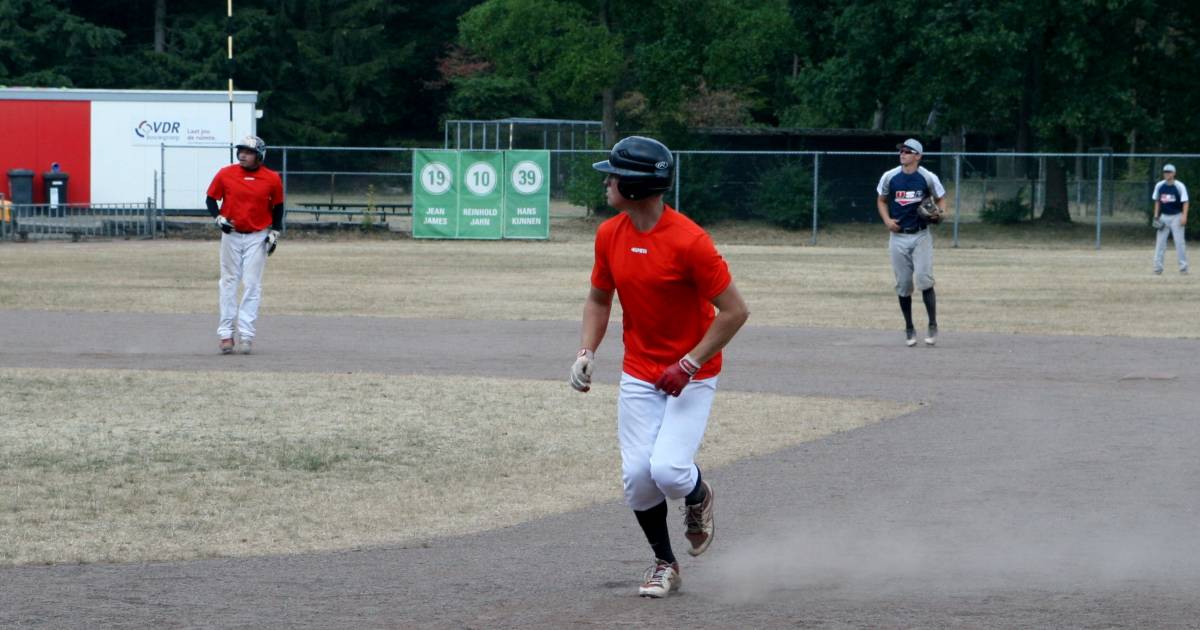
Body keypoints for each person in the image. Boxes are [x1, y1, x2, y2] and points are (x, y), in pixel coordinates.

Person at [569, 136, 750, 599]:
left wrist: (689, 363)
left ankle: (696, 495)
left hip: (694, 373)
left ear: (633, 185)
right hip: (639, 371)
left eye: (613, 174)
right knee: (637, 479)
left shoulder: (690, 241)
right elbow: (598, 298)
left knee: (669, 470)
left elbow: (734, 311)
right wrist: (586, 352)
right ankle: (664, 564)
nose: (606, 181)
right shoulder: (609, 234)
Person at [205, 135, 284, 355]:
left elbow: (278, 206)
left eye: (248, 152)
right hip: (231, 234)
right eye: (240, 151)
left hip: (257, 236)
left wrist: (275, 232)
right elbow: (211, 199)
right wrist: (218, 218)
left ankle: (247, 334)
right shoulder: (226, 173)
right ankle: (226, 334)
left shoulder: (272, 178)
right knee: (228, 282)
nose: (242, 155)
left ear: (259, 155)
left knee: (252, 284)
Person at [876, 138, 946, 346]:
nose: (903, 154)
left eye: (908, 151)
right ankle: (909, 328)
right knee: (904, 285)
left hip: (921, 235)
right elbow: (881, 200)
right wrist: (887, 220)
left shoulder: (927, 177)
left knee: (924, 280)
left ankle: (932, 324)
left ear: (918, 156)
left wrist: (940, 213)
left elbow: (941, 197)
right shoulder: (890, 177)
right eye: (902, 151)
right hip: (898, 237)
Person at [1152, 163, 1189, 275]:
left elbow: (1185, 202)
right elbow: (1157, 201)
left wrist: (1184, 216)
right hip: (1164, 217)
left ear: (1174, 173)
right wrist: (1156, 216)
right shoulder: (1160, 185)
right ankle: (1157, 269)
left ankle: (1183, 268)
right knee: (1160, 243)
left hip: (1177, 216)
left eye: (1169, 172)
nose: (1167, 174)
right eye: (1165, 172)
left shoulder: (1179, 186)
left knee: (1179, 243)